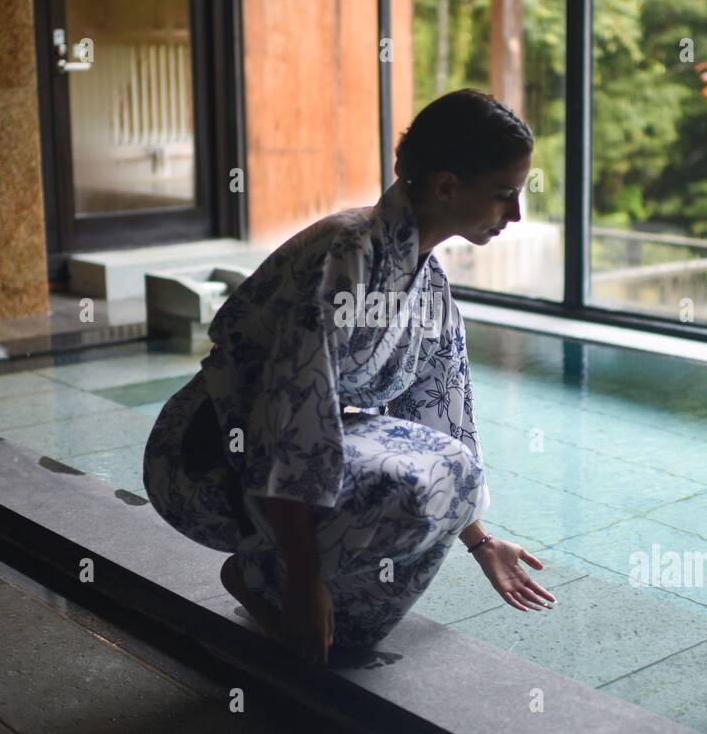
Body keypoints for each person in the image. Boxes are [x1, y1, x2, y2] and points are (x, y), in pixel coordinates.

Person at [142, 89, 556, 666]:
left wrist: (480, 542)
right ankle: (264, 574)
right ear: (445, 186)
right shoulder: (347, 252)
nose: (514, 214)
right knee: (408, 487)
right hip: (210, 457)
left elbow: (446, 418)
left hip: (295, 459)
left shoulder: (426, 280)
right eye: (504, 194)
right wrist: (302, 582)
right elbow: (290, 419)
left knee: (450, 474)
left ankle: (291, 592)